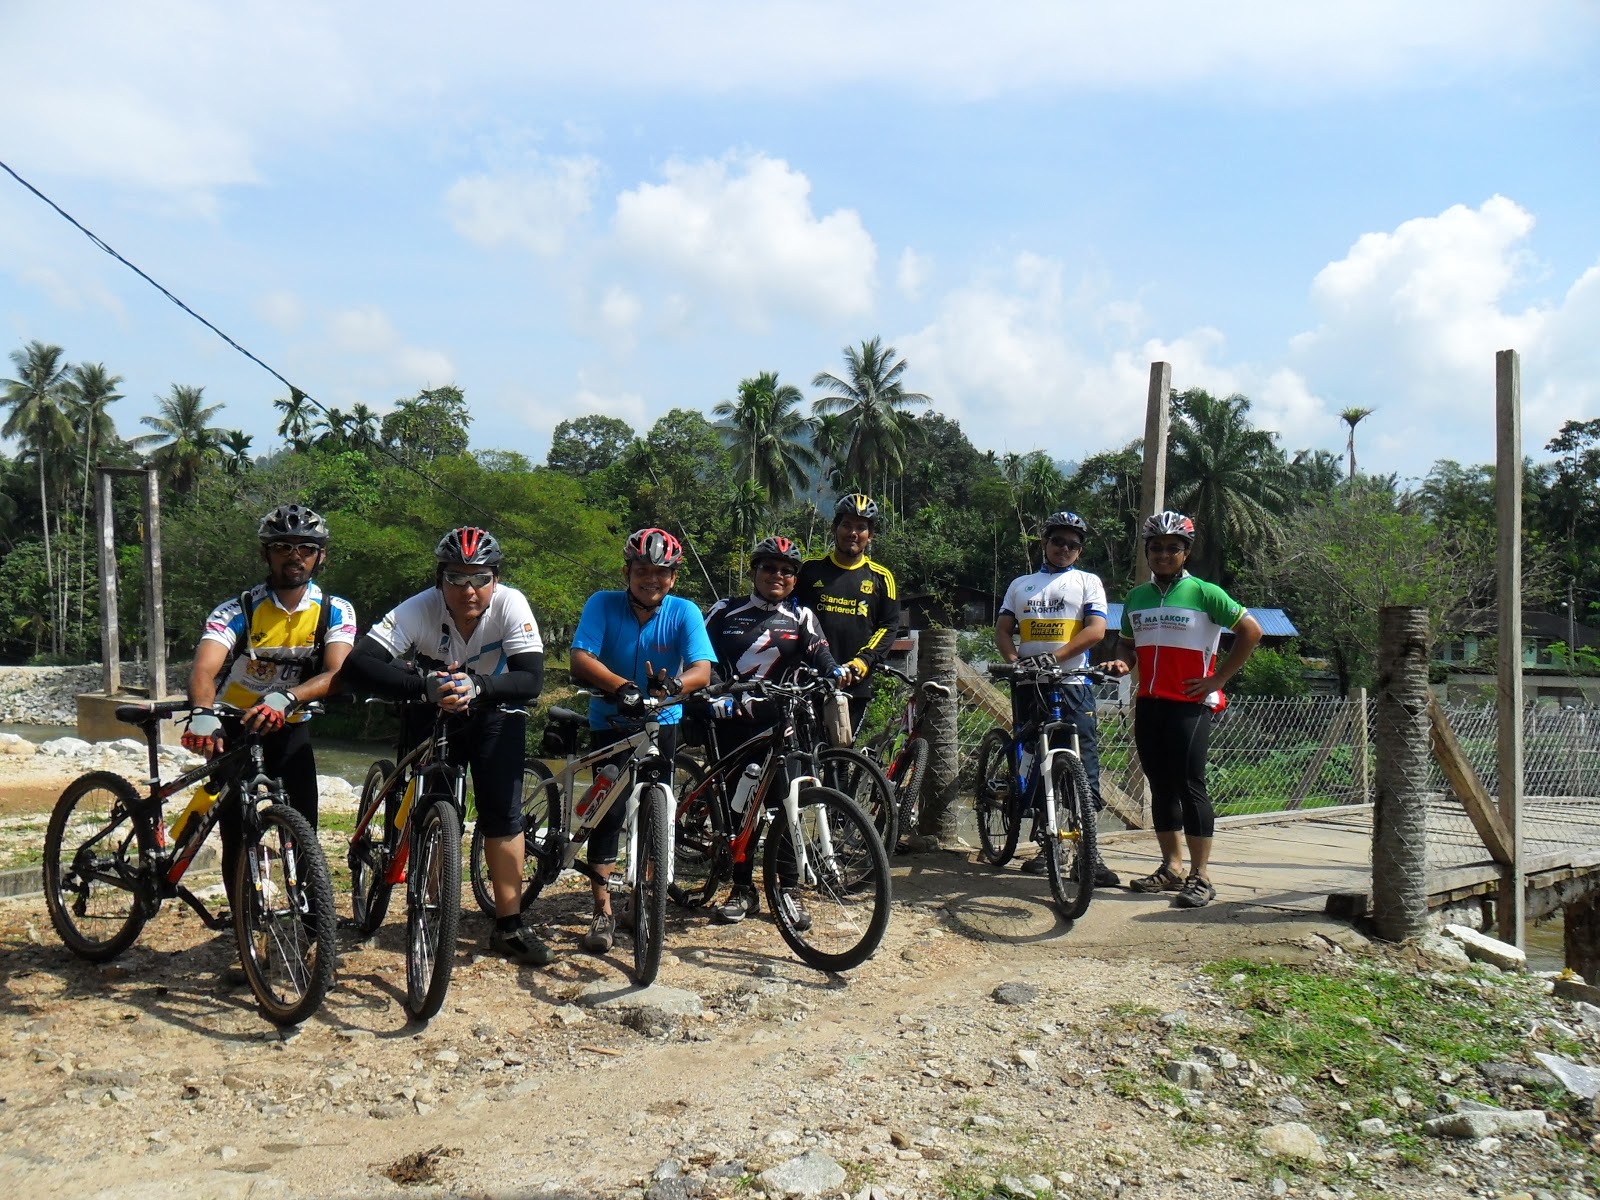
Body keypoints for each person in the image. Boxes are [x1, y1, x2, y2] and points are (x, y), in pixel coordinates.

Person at [338, 526, 553, 964]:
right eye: (456, 578)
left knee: (504, 816)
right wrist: (422, 687)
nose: (468, 589)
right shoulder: (420, 607)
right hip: (429, 707)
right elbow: (357, 664)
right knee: (424, 804)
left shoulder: (512, 604)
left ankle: (509, 925)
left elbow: (531, 678)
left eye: (480, 578)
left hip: (492, 708)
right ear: (441, 579)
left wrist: (480, 685)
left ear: (496, 578)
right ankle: (430, 900)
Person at [182, 503, 357, 912]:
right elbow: (204, 668)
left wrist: (288, 697)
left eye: (306, 548)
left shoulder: (333, 609)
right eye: (282, 546)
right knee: (237, 835)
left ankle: (315, 934)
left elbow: (337, 672)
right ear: (267, 554)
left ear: (320, 556)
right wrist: (203, 713)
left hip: (290, 724)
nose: (295, 555)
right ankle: (248, 935)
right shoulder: (238, 609)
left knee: (305, 834)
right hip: (233, 724)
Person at [568, 527, 715, 953]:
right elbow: (580, 657)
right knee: (608, 813)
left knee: (657, 812)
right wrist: (620, 687)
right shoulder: (603, 603)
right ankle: (602, 910)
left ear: (673, 577)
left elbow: (702, 668)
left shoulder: (684, 611)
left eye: (662, 573)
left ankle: (644, 898)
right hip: (610, 720)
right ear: (627, 571)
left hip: (661, 721)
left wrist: (674, 687)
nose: (652, 580)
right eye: (643, 571)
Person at [1117, 511, 1262, 909]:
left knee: (1190, 786)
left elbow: (1251, 630)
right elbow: (1127, 644)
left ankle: (1202, 876)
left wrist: (1218, 680)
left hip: (1190, 705)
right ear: (1147, 551)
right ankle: (1171, 867)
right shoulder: (1136, 597)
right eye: (1156, 548)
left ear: (1186, 552)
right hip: (1148, 702)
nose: (1164, 555)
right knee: (1161, 787)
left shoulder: (1204, 592)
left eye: (1172, 548)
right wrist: (1123, 663)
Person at [703, 535, 841, 925]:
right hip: (733, 723)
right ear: (755, 572)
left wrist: (835, 672)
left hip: (782, 725)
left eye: (786, 571)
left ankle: (788, 889)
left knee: (787, 807)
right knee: (740, 811)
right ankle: (743, 890)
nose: (777, 575)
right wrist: (716, 691)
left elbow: (821, 652)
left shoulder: (801, 616)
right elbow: (702, 655)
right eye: (769, 568)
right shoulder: (724, 611)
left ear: (795, 580)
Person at [994, 510, 1123, 888]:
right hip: (1027, 683)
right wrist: (1013, 660)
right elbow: (1003, 629)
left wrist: (1056, 658)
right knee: (1033, 755)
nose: (1064, 549)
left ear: (1079, 551)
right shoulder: (1021, 584)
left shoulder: (1087, 582)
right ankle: (1046, 846)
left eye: (1073, 545)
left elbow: (1097, 630)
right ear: (1045, 543)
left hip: (1070, 682)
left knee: (1082, 761)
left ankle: (1089, 852)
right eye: (1058, 542)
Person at [795, 494, 901, 733]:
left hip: (854, 683)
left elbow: (888, 626)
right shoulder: (810, 570)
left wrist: (864, 661)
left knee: (843, 761)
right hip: (808, 680)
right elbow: (791, 616)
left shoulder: (882, 578)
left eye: (861, 527)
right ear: (835, 528)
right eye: (847, 525)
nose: (853, 533)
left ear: (870, 535)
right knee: (804, 757)